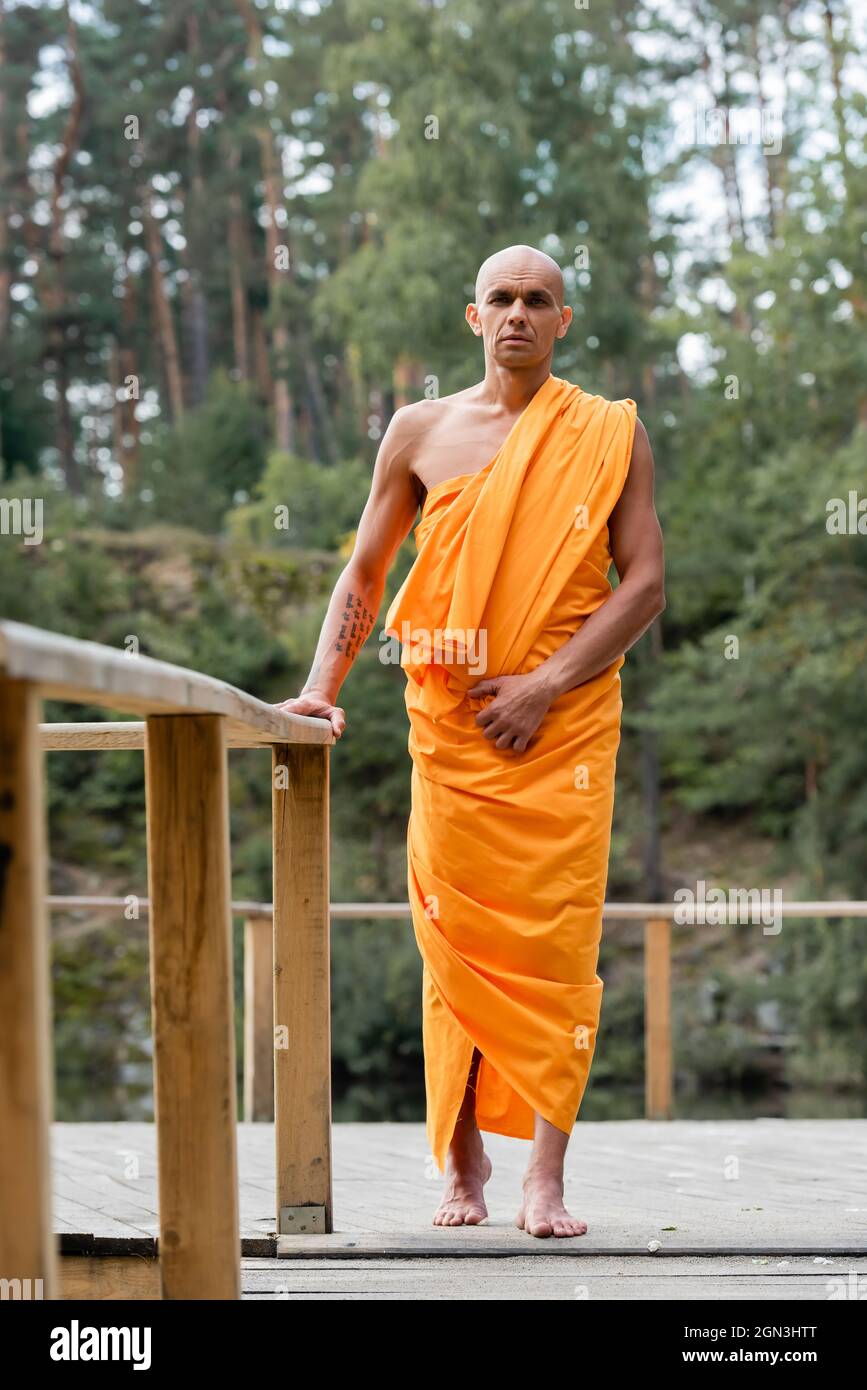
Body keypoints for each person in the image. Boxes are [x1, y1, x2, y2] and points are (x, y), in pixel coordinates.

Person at [275, 244, 665, 1238]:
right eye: (502, 298)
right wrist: (320, 688)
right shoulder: (420, 431)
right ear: (474, 316)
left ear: (563, 319)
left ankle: (545, 1180)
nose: (518, 313)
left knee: (557, 943)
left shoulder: (609, 432)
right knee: (452, 943)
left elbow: (645, 584)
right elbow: (366, 572)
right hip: (453, 730)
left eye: (538, 299)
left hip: (564, 728)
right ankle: (461, 1162)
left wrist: (543, 685)